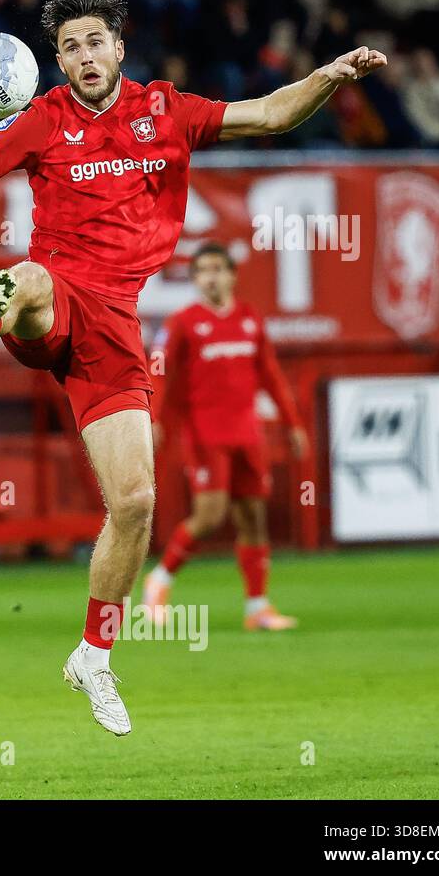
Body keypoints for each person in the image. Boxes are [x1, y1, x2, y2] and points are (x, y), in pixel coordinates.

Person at [0, 0, 386, 735]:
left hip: (114, 326)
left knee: (135, 504)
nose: (83, 55)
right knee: (29, 277)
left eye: (94, 41)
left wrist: (329, 76)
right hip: (57, 296)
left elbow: (268, 114)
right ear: (57, 62)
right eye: (69, 46)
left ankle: (93, 657)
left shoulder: (167, 111)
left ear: (118, 47)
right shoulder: (39, 121)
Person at [144, 243, 308, 631]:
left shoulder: (250, 319)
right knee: (210, 515)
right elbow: (159, 370)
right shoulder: (182, 323)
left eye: (218, 269)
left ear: (232, 274)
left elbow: (270, 375)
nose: (211, 277)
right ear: (195, 279)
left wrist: (292, 423)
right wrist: (153, 417)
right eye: (202, 271)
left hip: (248, 434)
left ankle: (257, 608)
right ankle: (159, 580)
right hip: (205, 434)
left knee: (253, 517)